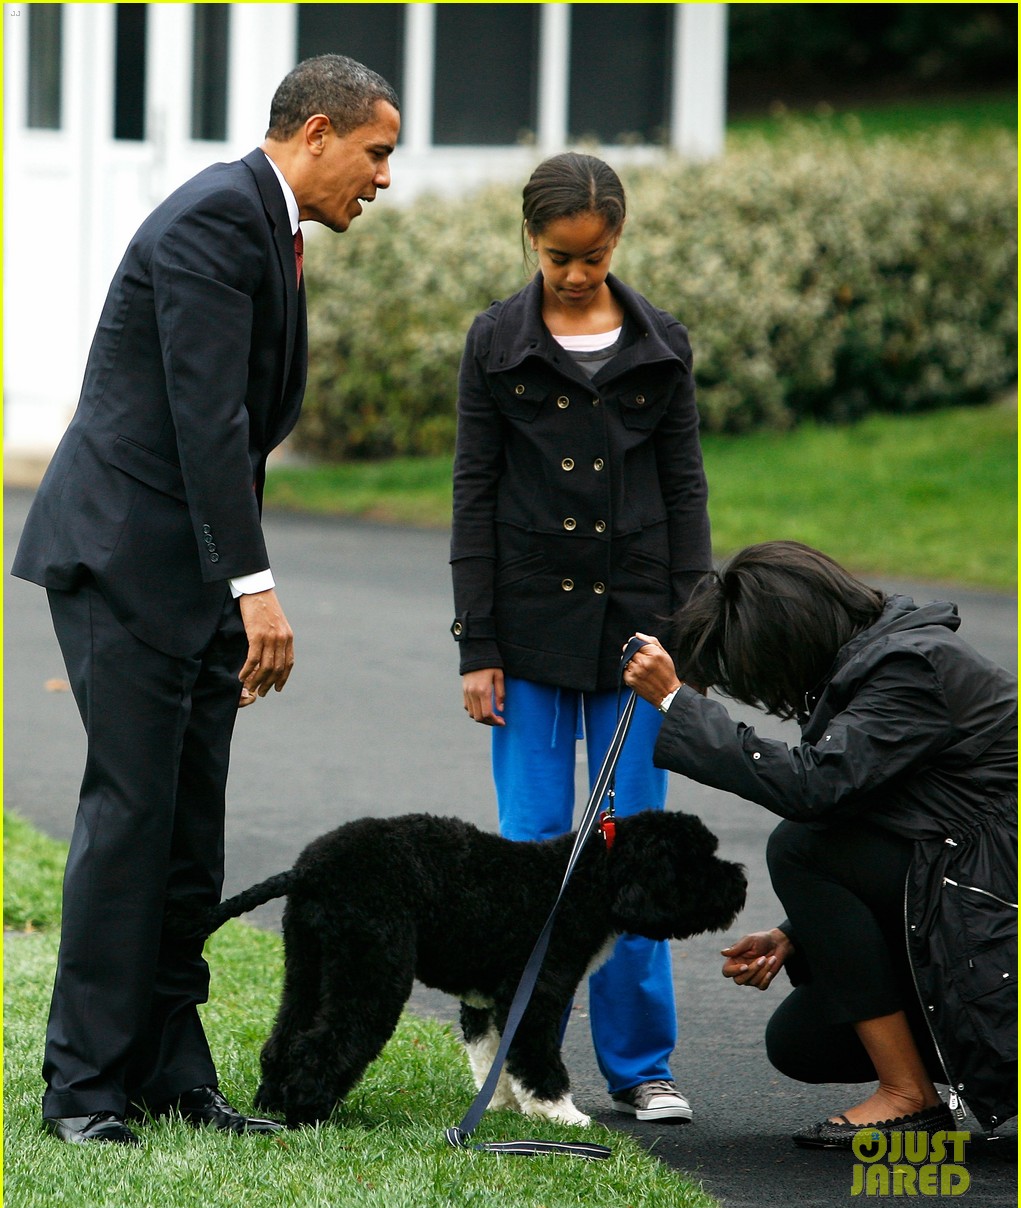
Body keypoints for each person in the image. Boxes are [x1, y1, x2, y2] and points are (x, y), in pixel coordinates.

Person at [12, 54, 400, 1146]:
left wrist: (231, 586)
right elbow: (205, 422)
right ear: (315, 133)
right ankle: (83, 1091)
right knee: (131, 821)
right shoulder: (213, 222)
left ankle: (172, 1075)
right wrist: (257, 586)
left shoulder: (264, 227)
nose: (382, 179)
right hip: (125, 557)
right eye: (376, 153)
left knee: (187, 836)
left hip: (187, 573)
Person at [449, 152, 712, 1122]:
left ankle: (642, 1065)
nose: (576, 274)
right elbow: (472, 492)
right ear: (532, 241)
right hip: (520, 633)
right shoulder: (493, 342)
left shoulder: (661, 345)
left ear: (618, 243)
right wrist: (477, 644)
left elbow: (684, 491)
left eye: (594, 258)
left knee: (631, 846)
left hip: (636, 632)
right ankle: (524, 1060)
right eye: (560, 257)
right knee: (527, 853)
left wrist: (690, 626)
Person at [622, 540, 1017, 1146]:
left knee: (800, 845)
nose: (759, 688)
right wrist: (798, 931)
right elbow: (891, 823)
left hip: (998, 905)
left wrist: (677, 702)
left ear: (787, 637)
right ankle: (936, 1079)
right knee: (803, 1041)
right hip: (974, 884)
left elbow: (818, 788)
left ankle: (910, 1098)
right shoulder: (885, 656)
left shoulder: (912, 666)